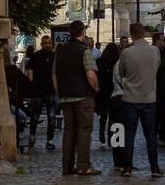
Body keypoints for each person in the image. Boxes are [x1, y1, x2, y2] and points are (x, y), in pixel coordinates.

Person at [52, 21, 101, 176]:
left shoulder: (60, 51)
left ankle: (67, 166)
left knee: (68, 131)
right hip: (83, 96)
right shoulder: (84, 50)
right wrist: (96, 88)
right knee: (84, 131)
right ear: (83, 32)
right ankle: (83, 166)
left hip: (66, 96)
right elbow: (91, 74)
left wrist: (60, 91)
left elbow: (54, 74)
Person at [117, 22, 162, 177]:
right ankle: (154, 167)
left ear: (131, 35)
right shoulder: (155, 51)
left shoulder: (127, 53)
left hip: (130, 98)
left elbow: (121, 72)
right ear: (144, 33)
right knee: (150, 135)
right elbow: (157, 68)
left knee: (129, 134)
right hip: (149, 98)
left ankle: (127, 167)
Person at [25, 34, 58, 153]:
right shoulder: (35, 56)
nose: (48, 45)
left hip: (51, 91)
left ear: (52, 44)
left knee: (52, 117)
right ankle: (32, 138)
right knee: (34, 116)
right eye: (45, 43)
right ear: (41, 44)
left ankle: (50, 140)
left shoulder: (55, 57)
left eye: (49, 43)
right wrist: (30, 88)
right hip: (37, 91)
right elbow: (29, 72)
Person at [96, 41, 120, 146]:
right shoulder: (117, 62)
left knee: (104, 114)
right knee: (113, 116)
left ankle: (101, 132)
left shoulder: (99, 61)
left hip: (102, 91)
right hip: (113, 90)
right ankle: (111, 137)